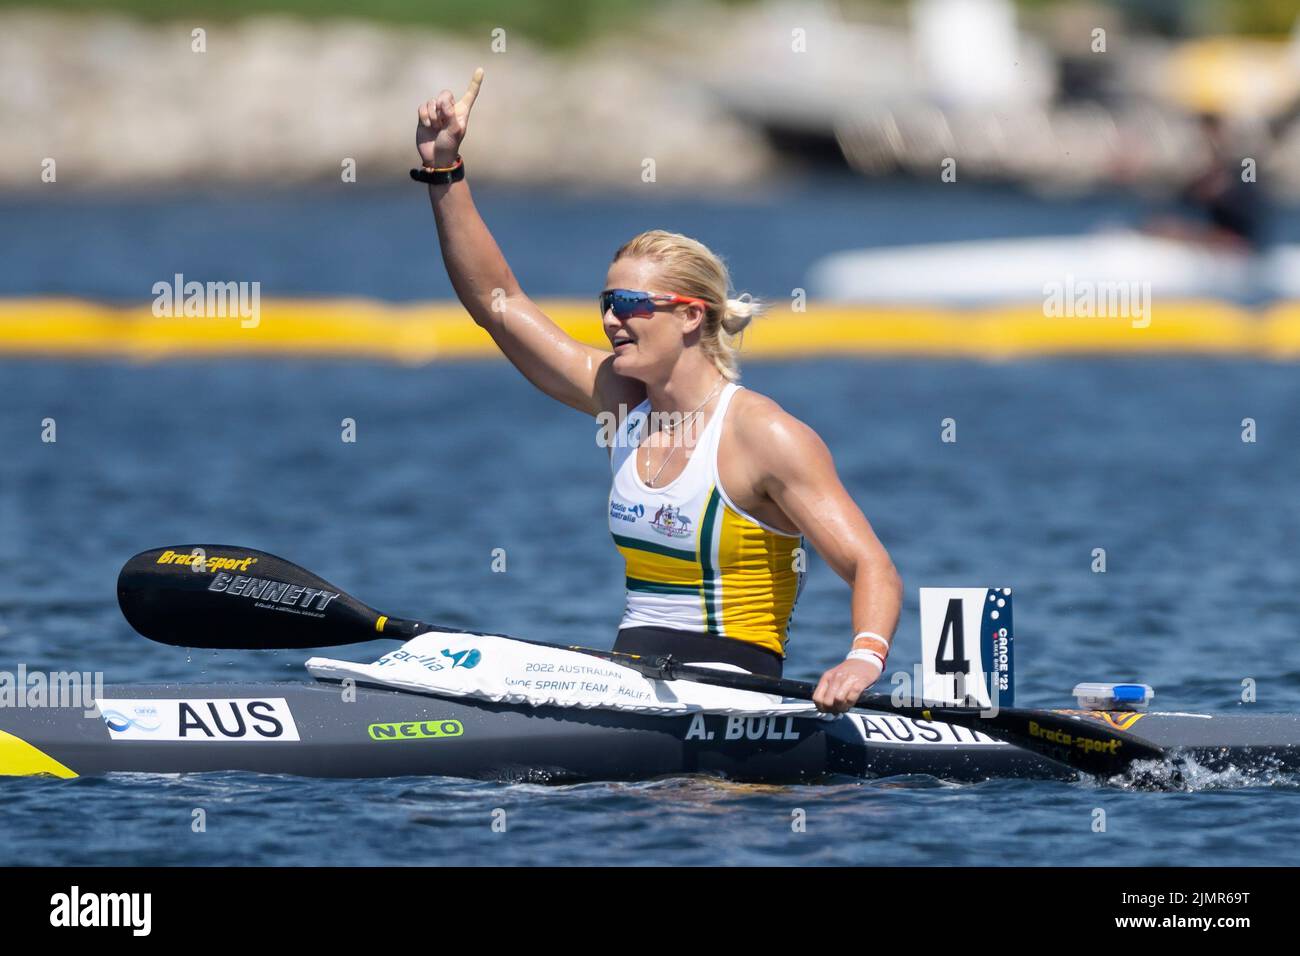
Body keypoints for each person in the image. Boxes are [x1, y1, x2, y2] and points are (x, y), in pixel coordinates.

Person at [415, 69, 902, 713]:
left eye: (631, 304)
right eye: (606, 302)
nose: (612, 319)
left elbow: (873, 568)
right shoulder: (621, 401)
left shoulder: (764, 435)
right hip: (629, 683)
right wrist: (445, 174)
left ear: (691, 315)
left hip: (735, 693)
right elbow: (496, 303)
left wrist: (860, 661)